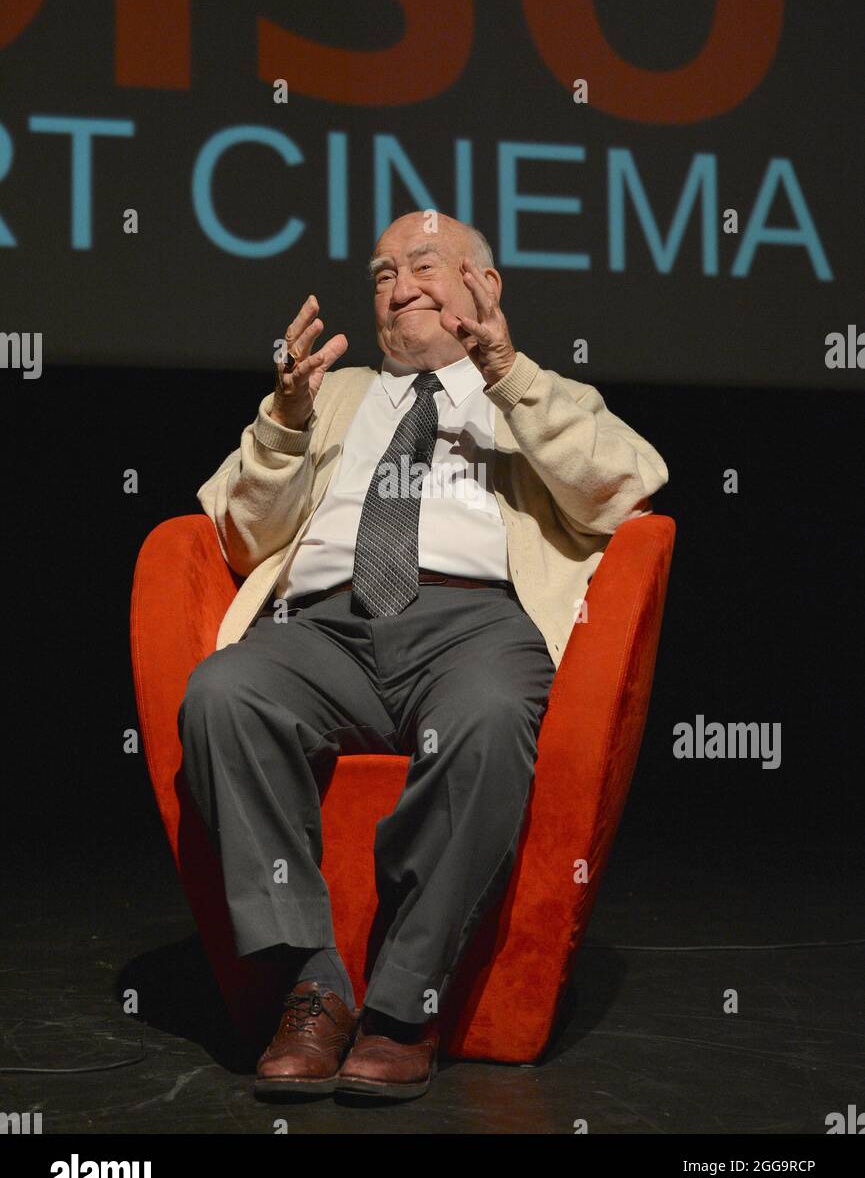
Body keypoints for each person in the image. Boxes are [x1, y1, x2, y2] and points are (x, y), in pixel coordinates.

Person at [178, 209, 669, 1102]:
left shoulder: (530, 392)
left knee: (485, 716)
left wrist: (508, 374)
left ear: (485, 287)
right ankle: (313, 984)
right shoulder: (328, 392)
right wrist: (284, 422)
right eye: (380, 272)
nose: (398, 283)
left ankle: (405, 1003)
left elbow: (624, 488)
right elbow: (241, 537)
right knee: (223, 692)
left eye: (424, 264)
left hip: (472, 625)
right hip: (321, 627)